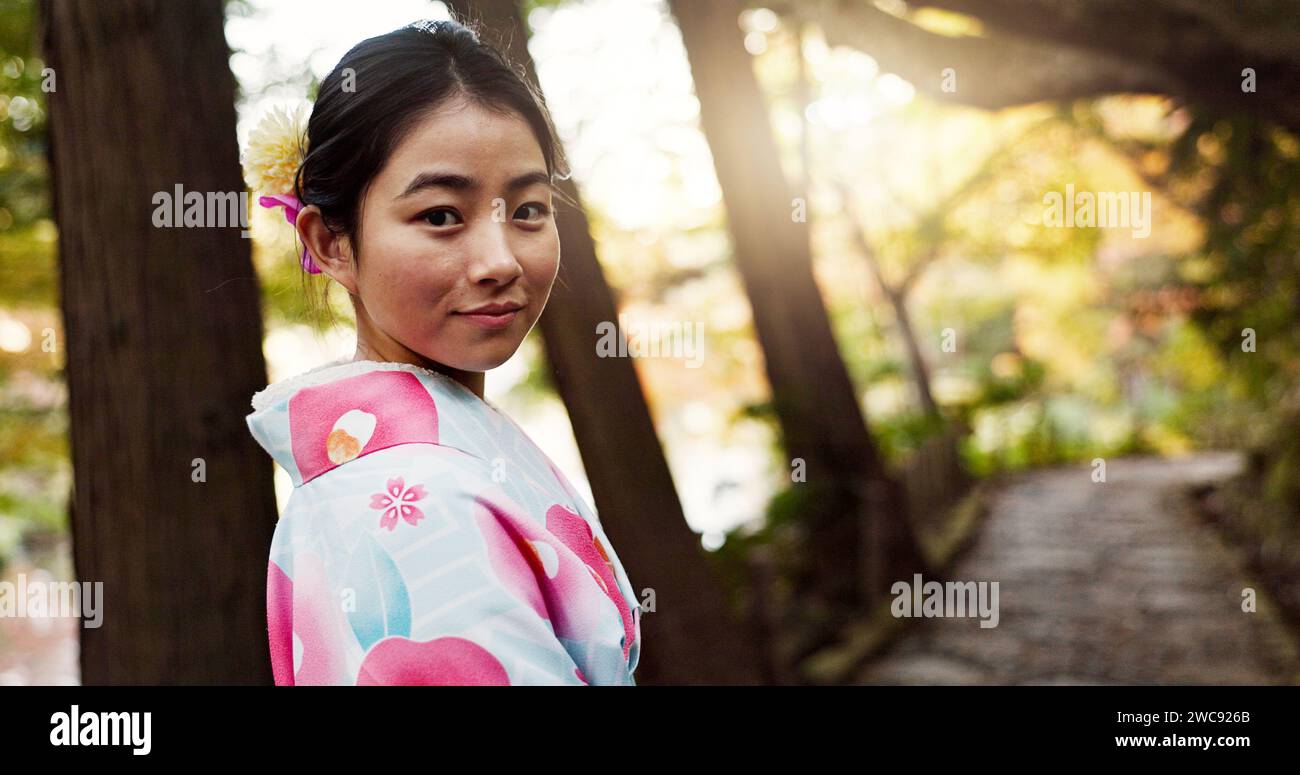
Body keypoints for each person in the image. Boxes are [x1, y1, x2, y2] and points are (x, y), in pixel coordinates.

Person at [243, 19, 640, 685]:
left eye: (529, 209)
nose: (499, 260)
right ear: (330, 243)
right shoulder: (411, 500)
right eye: (440, 215)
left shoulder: (422, 466)